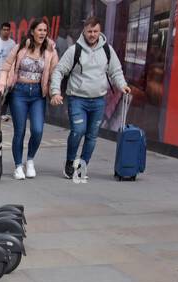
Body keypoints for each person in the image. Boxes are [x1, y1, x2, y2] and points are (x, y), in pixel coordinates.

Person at [51, 16, 129, 181]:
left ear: (100, 31)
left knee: (92, 136)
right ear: (84, 31)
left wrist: (122, 85)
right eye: (89, 31)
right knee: (78, 131)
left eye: (95, 31)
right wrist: (55, 91)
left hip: (99, 100)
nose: (92, 34)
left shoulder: (107, 50)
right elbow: (59, 71)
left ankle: (82, 167)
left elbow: (115, 71)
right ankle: (70, 162)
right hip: (77, 99)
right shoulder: (74, 50)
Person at [0, 18, 58, 179]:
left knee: (37, 130)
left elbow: (55, 73)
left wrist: (55, 92)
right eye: (39, 30)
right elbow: (6, 67)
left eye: (45, 30)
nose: (42, 33)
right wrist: (1, 84)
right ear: (32, 31)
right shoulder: (20, 48)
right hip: (19, 93)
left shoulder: (50, 51)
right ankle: (18, 166)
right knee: (20, 131)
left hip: (38, 94)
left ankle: (30, 160)